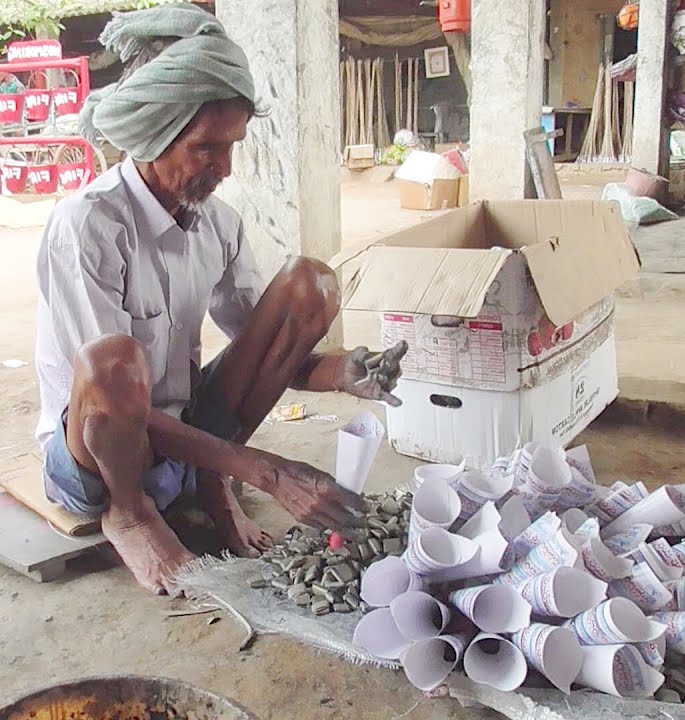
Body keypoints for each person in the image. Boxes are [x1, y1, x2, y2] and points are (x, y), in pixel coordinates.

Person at [34, 4, 407, 595]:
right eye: (207, 148)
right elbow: (108, 393)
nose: (226, 168)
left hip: (184, 441)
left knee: (310, 285)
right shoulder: (87, 225)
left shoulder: (219, 224)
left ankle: (210, 484)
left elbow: (267, 353)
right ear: (156, 133)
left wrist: (342, 373)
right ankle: (131, 514)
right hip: (97, 463)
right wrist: (267, 473)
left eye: (233, 146)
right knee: (114, 361)